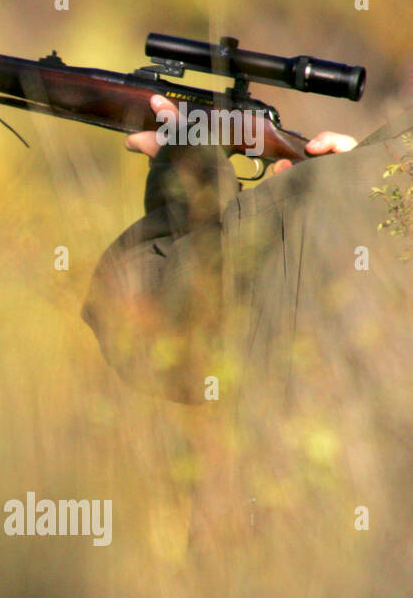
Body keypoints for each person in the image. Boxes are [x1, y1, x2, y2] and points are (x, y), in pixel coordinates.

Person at [82, 95, 413, 426]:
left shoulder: (385, 169)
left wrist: (189, 174)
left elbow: (142, 323)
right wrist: (348, 182)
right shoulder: (390, 176)